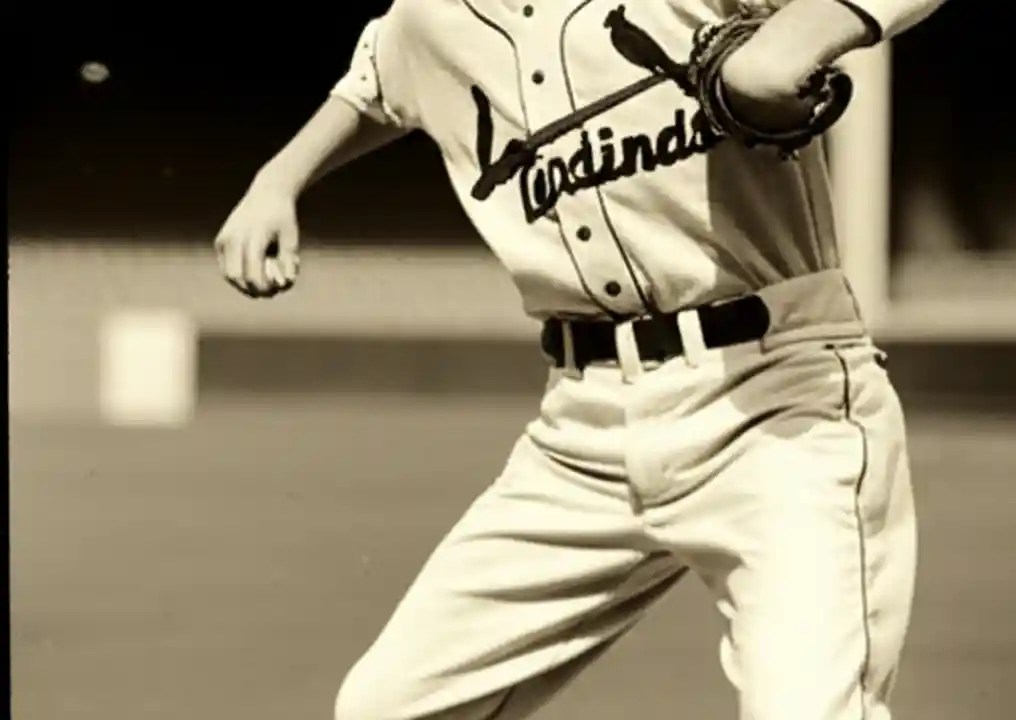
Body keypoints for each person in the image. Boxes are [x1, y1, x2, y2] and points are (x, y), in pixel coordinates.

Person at [213, 1, 946, 718]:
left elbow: (794, 47)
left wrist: (804, 33)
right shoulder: (436, 15)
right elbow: (374, 82)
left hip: (779, 401)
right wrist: (278, 181)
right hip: (582, 432)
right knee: (388, 707)